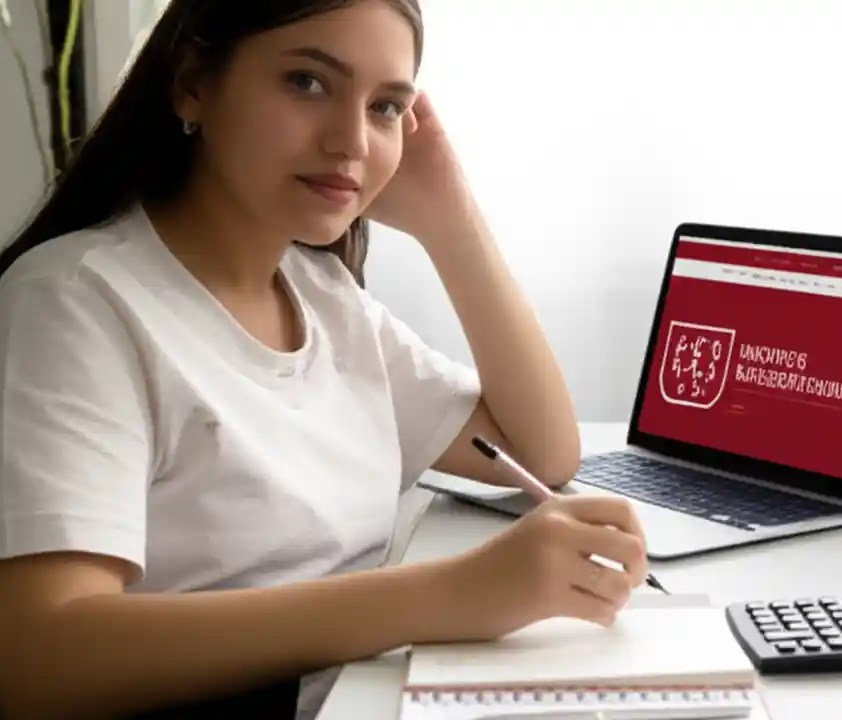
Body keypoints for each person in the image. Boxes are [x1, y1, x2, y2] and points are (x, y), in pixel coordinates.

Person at [0, 1, 650, 718]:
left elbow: (540, 449)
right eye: (307, 82)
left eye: (385, 107)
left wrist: (450, 218)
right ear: (192, 83)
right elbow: (38, 654)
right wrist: (450, 596)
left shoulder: (322, 294)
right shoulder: (76, 302)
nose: (351, 141)